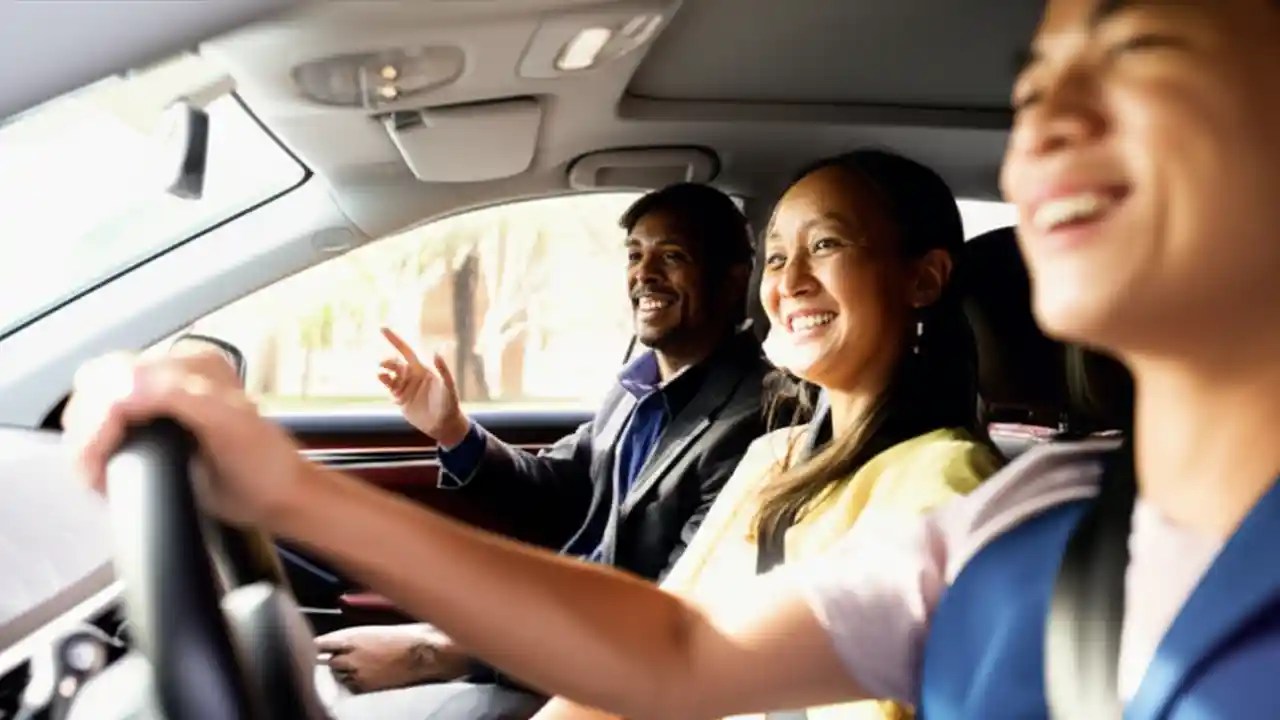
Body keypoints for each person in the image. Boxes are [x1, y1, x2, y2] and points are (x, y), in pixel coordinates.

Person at [63, 0, 1280, 716]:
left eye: (1135, 61)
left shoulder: (944, 479)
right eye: (1035, 86)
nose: (1047, 126)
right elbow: (680, 648)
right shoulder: (1024, 517)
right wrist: (277, 486)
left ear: (923, 279)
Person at [533, 151, 1002, 720]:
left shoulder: (946, 483)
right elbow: (661, 643)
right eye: (776, 257)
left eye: (825, 245)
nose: (790, 282)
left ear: (923, 278)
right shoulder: (773, 455)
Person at [317, 183, 772, 718]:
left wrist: (443, 651)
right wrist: (453, 431)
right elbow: (557, 489)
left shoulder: (752, 423)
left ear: (733, 278)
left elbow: (672, 616)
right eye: (634, 255)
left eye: (671, 256)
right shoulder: (639, 389)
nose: (644, 275)